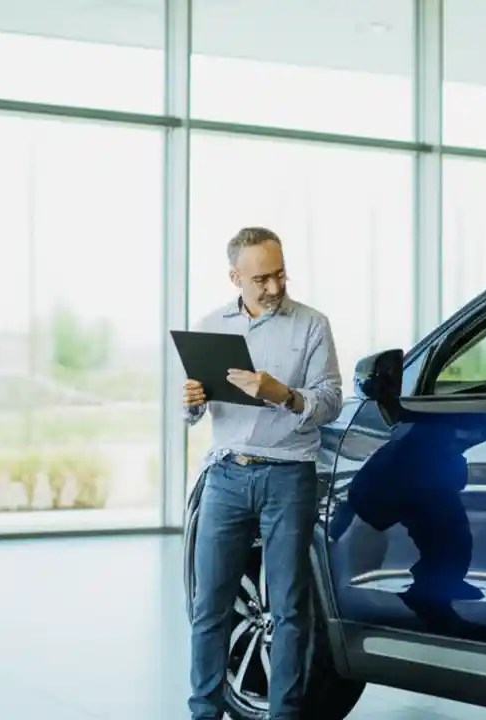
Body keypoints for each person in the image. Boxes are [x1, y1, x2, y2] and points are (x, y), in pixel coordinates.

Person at [183, 226, 343, 720]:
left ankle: (285, 715)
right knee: (210, 606)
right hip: (227, 476)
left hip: (289, 476)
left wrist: (285, 395)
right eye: (261, 280)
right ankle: (204, 711)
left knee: (291, 609)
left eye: (280, 275)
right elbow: (193, 414)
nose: (274, 288)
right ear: (236, 277)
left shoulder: (312, 325)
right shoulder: (212, 327)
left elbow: (331, 401)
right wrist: (190, 404)